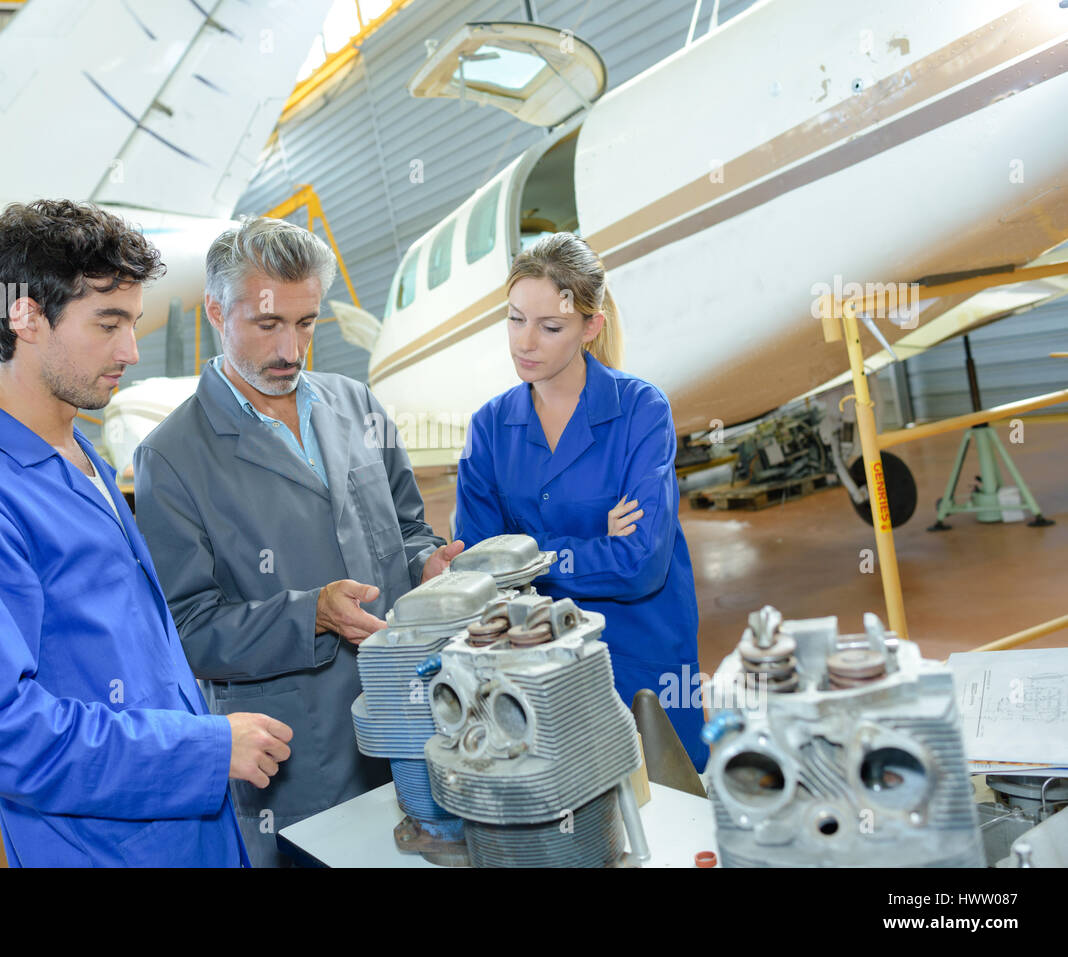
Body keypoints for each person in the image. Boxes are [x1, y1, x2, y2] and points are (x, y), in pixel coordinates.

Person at [0, 200, 292, 867]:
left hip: (193, 833)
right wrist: (203, 748)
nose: (130, 351)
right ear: (24, 316)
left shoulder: (81, 454)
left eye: (131, 323)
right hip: (103, 848)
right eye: (108, 324)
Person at [133, 216, 462, 867]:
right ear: (215, 310)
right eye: (267, 324)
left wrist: (429, 562)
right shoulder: (172, 458)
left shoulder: (356, 404)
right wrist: (307, 613)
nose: (291, 347)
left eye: (306, 322)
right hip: (300, 758)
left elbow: (407, 525)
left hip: (411, 721)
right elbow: (189, 628)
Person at [454, 232, 709, 771]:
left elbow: (641, 564)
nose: (525, 342)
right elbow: (476, 570)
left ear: (590, 327)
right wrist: (597, 543)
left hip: (642, 656)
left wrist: (523, 559)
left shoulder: (641, 410)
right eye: (515, 318)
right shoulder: (489, 428)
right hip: (537, 662)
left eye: (550, 327)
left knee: (674, 813)